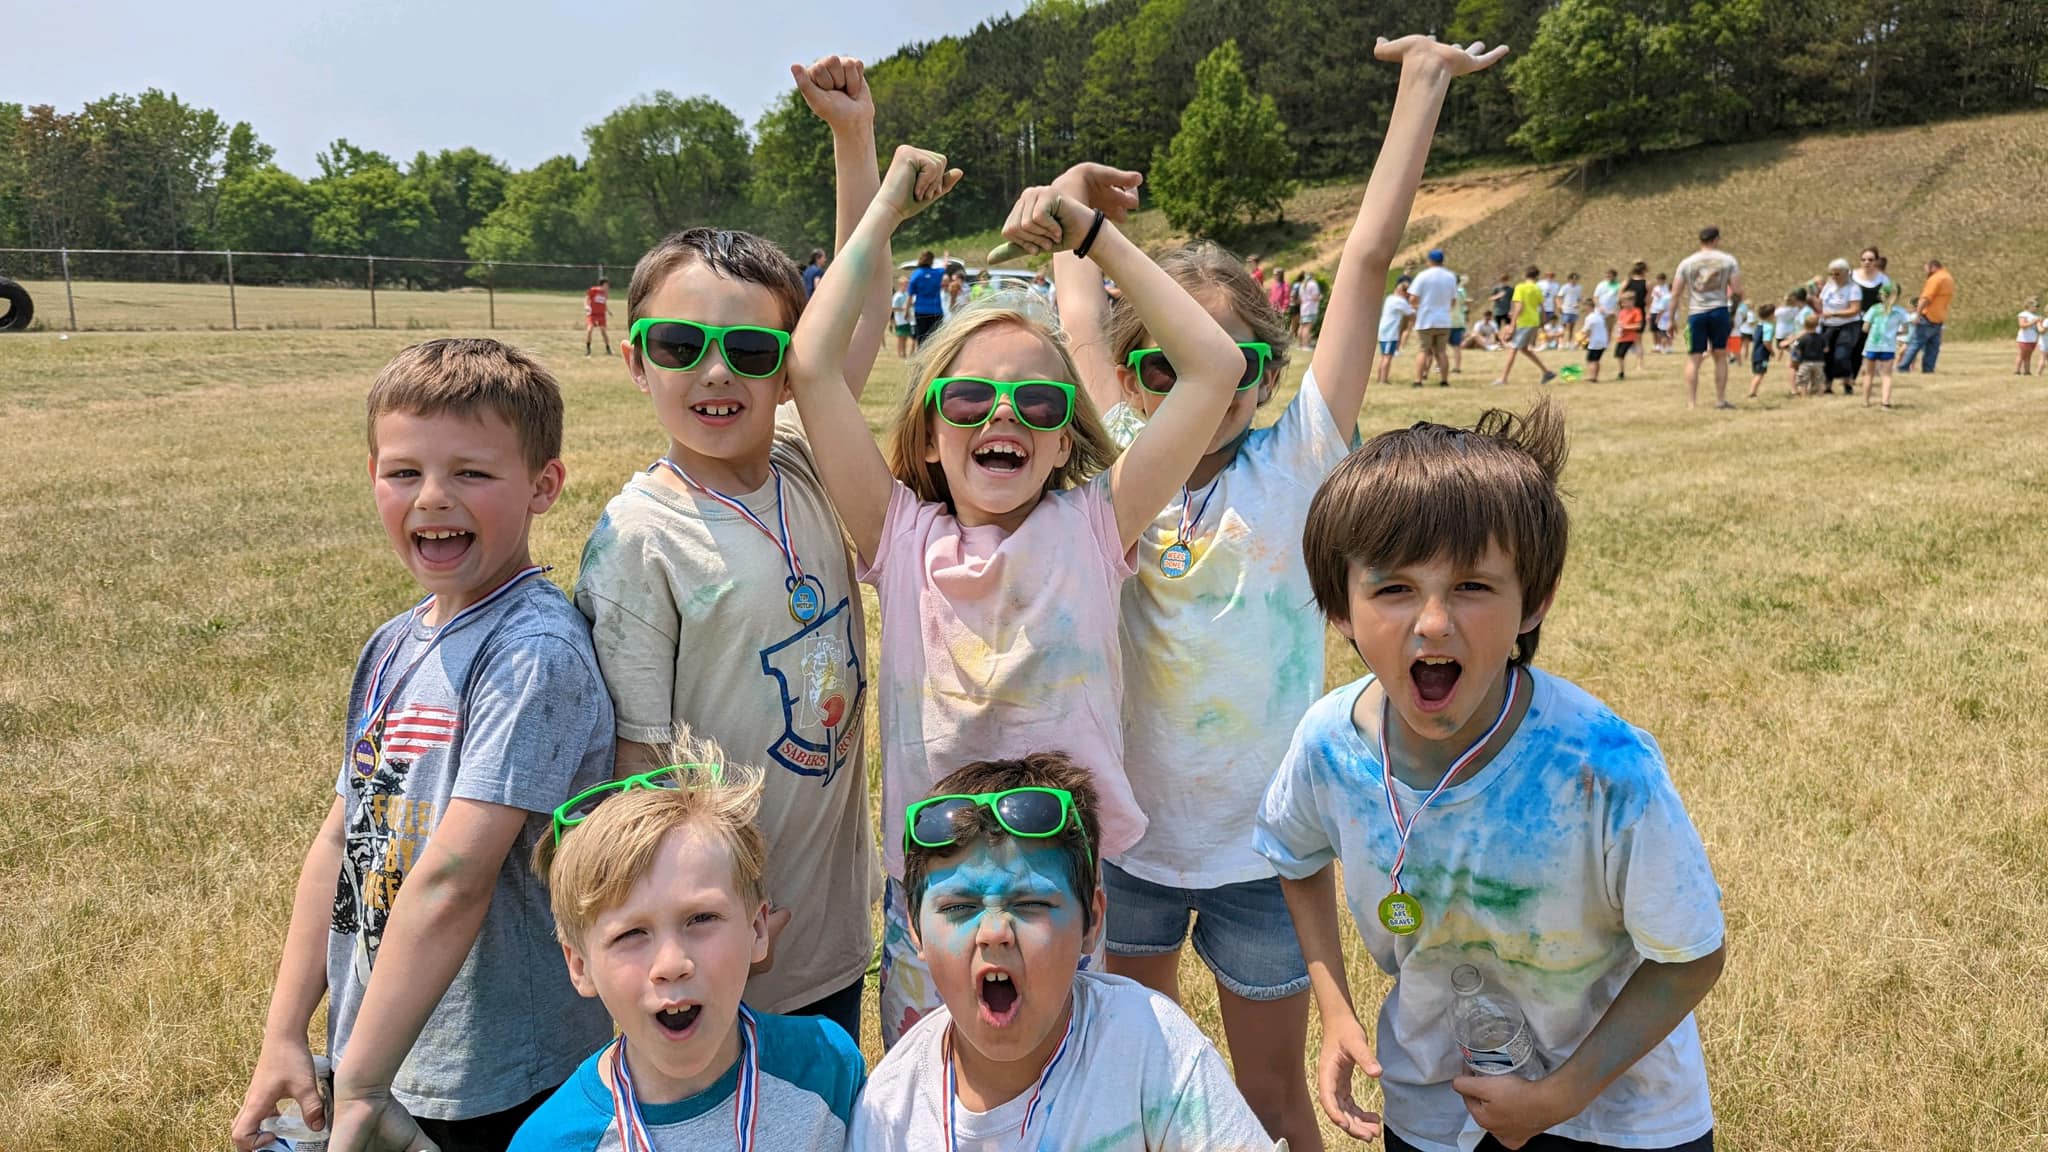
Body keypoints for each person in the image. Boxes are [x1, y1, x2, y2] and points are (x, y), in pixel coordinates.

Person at [1051, 41, 1505, 1145]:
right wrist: (1069, 209)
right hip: (1128, 849)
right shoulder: (1125, 456)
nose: (1199, 387)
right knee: (1137, 1101)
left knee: (1268, 1097)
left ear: (1265, 368)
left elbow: (1361, 262)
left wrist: (1420, 88)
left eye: (1233, 365)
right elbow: (1074, 323)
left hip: (1266, 858)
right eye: (1160, 362)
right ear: (1135, 369)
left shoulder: (1301, 455)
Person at [784, 144, 1247, 1049]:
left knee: (1071, 1094)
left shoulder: (1096, 524)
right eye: (971, 401)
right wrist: (882, 211)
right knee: (938, 1090)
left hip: (1063, 878)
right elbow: (810, 368)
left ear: (1066, 435)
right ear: (927, 432)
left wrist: (1094, 239)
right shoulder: (900, 533)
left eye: (1038, 404)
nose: (1004, 417)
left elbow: (1214, 367)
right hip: (936, 882)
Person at [1257, 397, 1726, 1152]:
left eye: (1473, 587)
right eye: (1393, 588)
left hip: (1616, 1113)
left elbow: (1692, 954)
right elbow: (1294, 854)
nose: (1435, 622)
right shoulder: (1329, 747)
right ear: (1340, 607)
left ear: (1533, 601)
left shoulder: (1601, 766)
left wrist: (1555, 1098)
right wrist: (1337, 1009)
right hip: (1430, 1106)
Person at [230, 339, 616, 1152]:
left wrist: (362, 1078)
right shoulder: (393, 644)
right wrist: (286, 1032)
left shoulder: (532, 651)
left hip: (502, 1069)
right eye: (404, 473)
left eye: (471, 473)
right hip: (386, 1041)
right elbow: (341, 838)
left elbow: (454, 877)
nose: (433, 498)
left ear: (544, 485)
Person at [572, 54, 888, 1045]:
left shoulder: (799, 459)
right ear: (635, 360)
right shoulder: (638, 539)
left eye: (752, 353)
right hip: (719, 959)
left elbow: (858, 311)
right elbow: (638, 765)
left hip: (829, 928)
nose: (716, 371)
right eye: (679, 347)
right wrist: (688, 935)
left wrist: (853, 143)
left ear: (790, 373)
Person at [851, 755, 1275, 1151]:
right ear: (916, 931)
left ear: (1091, 922)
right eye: (959, 908)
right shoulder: (891, 1113)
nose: (994, 933)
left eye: (1030, 904)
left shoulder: (1150, 1045)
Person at [510, 745, 865, 1151]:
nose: (672, 963)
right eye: (631, 935)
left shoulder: (827, 1066)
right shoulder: (549, 1141)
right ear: (580, 965)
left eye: (701, 919)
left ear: (757, 928)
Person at [1672, 224, 1743, 409]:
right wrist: (1733, 313)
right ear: (1716, 240)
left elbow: (1676, 293)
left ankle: (1691, 403)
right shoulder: (1728, 260)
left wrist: (1671, 318)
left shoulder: (1686, 263)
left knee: (1694, 358)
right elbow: (1737, 291)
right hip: (1719, 310)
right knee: (1720, 355)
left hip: (1696, 312)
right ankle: (1720, 400)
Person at [1495, 266, 1556, 387]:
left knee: (1513, 349)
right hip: (1534, 321)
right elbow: (1542, 307)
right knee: (1524, 349)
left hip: (1524, 322)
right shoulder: (1537, 288)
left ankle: (1503, 379)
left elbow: (1519, 307)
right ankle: (1547, 372)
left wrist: (1512, 324)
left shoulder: (1520, 287)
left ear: (1525, 275)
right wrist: (1542, 322)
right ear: (1536, 276)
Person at [1410, 249, 1458, 388]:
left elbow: (1413, 298)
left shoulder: (1423, 276)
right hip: (1443, 320)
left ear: (1429, 261)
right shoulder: (1450, 277)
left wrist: (1418, 306)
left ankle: (1418, 380)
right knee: (1441, 351)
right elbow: (1453, 301)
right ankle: (1444, 380)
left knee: (1423, 350)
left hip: (1426, 319)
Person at [1898, 257, 1955, 372]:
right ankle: (1928, 369)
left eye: (1926, 269)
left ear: (1933, 267)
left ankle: (1902, 367)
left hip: (1928, 316)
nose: (1926, 273)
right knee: (1933, 347)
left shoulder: (1935, 279)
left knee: (1915, 344)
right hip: (1939, 318)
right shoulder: (1948, 278)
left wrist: (1918, 314)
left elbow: (1926, 298)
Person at [1817, 258, 1863, 394]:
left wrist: (1834, 313)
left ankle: (1847, 382)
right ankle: (1827, 385)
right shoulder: (1828, 286)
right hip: (1827, 325)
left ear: (1846, 273)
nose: (1834, 277)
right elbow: (1821, 302)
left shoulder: (1853, 288)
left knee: (1841, 355)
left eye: (1837, 274)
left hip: (1848, 325)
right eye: (1831, 274)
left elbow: (1854, 309)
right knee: (1827, 355)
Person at [1861, 282, 1903, 409]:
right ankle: (1885, 402)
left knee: (1869, 374)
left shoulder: (1874, 309)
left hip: (1872, 345)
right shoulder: (1899, 311)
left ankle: (1865, 401)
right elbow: (1905, 330)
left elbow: (1865, 328)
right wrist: (1894, 332)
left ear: (1881, 295)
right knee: (1887, 375)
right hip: (1888, 347)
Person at [1379, 278, 1418, 386]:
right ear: (1404, 292)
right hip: (1390, 333)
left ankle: (1380, 378)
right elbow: (1411, 315)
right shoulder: (1400, 301)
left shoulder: (1390, 298)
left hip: (1383, 331)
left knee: (1383, 356)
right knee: (1388, 357)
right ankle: (1383, 380)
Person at [908, 250, 946, 345]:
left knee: (921, 336)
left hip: (921, 310)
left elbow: (910, 294)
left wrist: (906, 310)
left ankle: (922, 358)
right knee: (934, 337)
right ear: (932, 261)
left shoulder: (916, 274)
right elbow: (944, 266)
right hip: (936, 310)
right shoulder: (937, 273)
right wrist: (946, 256)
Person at [1622, 263, 1650, 369]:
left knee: (1624, 339)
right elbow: (1648, 301)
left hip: (1627, 313)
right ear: (1644, 271)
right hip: (1639, 312)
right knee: (1638, 340)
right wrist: (1647, 313)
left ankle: (1622, 362)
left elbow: (1620, 296)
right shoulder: (1647, 283)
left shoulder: (1626, 282)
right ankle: (1639, 364)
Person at [1792, 313, 1827, 396]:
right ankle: (1821, 395)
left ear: (1805, 325)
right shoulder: (1821, 337)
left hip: (1805, 362)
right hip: (1819, 362)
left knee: (1803, 380)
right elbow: (1826, 349)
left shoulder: (1803, 338)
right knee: (1819, 379)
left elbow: (1798, 350)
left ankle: (1803, 395)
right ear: (1817, 325)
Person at [1746, 299, 1774, 399]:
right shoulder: (1768, 327)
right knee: (1760, 374)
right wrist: (1772, 351)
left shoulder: (1759, 325)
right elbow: (1766, 342)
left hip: (1755, 354)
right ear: (1771, 315)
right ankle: (1752, 393)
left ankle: (1753, 391)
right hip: (1763, 355)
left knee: (1757, 373)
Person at [1615, 291, 1643, 381]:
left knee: (1621, 354)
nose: (1623, 304)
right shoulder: (1622, 312)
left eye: (1625, 302)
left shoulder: (1636, 311)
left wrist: (1626, 327)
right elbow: (1619, 323)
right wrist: (1617, 330)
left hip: (1629, 337)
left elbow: (1638, 325)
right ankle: (1621, 372)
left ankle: (1621, 374)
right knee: (1618, 355)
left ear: (1632, 301)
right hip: (1621, 337)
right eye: (1622, 302)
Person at [1582, 304, 1609, 382]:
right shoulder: (1599, 316)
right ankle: (1595, 377)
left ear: (1589, 307)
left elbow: (1587, 332)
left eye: (1585, 307)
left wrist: (1579, 342)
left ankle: (1593, 377)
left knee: (1591, 360)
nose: (1584, 309)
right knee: (1596, 360)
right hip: (1603, 341)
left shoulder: (1589, 318)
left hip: (1595, 342)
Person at [1450, 273, 1472, 373]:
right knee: (1457, 346)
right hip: (1458, 321)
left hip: (1447, 322)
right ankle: (1457, 367)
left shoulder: (1449, 292)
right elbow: (1464, 303)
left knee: (1440, 347)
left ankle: (1439, 366)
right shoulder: (1461, 292)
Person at [585, 277, 611, 357]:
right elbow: (587, 298)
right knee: (590, 330)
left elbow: (603, 303)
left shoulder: (605, 293)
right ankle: (588, 349)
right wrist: (587, 306)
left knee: (603, 331)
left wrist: (608, 311)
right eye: (606, 285)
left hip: (601, 315)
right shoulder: (594, 290)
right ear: (602, 285)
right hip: (593, 314)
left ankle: (608, 348)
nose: (608, 286)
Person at [1298, 270, 1325, 348]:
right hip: (1311, 309)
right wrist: (1320, 297)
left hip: (1303, 308)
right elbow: (1315, 297)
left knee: (1302, 326)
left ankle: (1300, 344)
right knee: (1307, 327)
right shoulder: (1313, 284)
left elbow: (1300, 298)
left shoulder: (1302, 284)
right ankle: (1305, 345)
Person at [1648, 273, 1673, 353]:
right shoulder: (1656, 288)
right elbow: (1652, 299)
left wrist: (1660, 296)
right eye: (1658, 279)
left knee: (1662, 329)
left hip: (1662, 311)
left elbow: (1667, 299)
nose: (1659, 281)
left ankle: (1664, 346)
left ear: (1664, 280)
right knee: (1654, 329)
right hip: (1654, 310)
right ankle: (1656, 345)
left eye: (1661, 280)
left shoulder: (1666, 288)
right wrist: (1649, 311)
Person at [2016, 298, 2040, 376]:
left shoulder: (2037, 315)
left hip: (2033, 339)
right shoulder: (2023, 314)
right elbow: (2022, 325)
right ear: (2029, 306)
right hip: (2024, 339)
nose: (2037, 308)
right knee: (2022, 355)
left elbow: (2038, 328)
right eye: (2036, 306)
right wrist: (2033, 322)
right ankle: (2017, 371)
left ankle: (2027, 371)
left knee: (2029, 355)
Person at [891, 274, 913, 359]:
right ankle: (899, 353)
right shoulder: (897, 296)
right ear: (900, 285)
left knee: (905, 337)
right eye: (905, 284)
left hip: (907, 319)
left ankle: (904, 353)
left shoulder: (907, 294)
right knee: (901, 337)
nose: (907, 286)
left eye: (907, 284)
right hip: (900, 319)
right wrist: (903, 309)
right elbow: (893, 308)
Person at [1558, 271, 1584, 343]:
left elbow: (1579, 298)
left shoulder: (1579, 287)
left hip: (1574, 310)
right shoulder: (1565, 287)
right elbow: (1559, 297)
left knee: (1571, 327)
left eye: (1575, 278)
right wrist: (1560, 306)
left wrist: (1579, 304)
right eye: (1572, 278)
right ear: (1569, 279)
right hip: (1566, 309)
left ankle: (1569, 342)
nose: (1574, 280)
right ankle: (1560, 343)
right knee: (1563, 327)